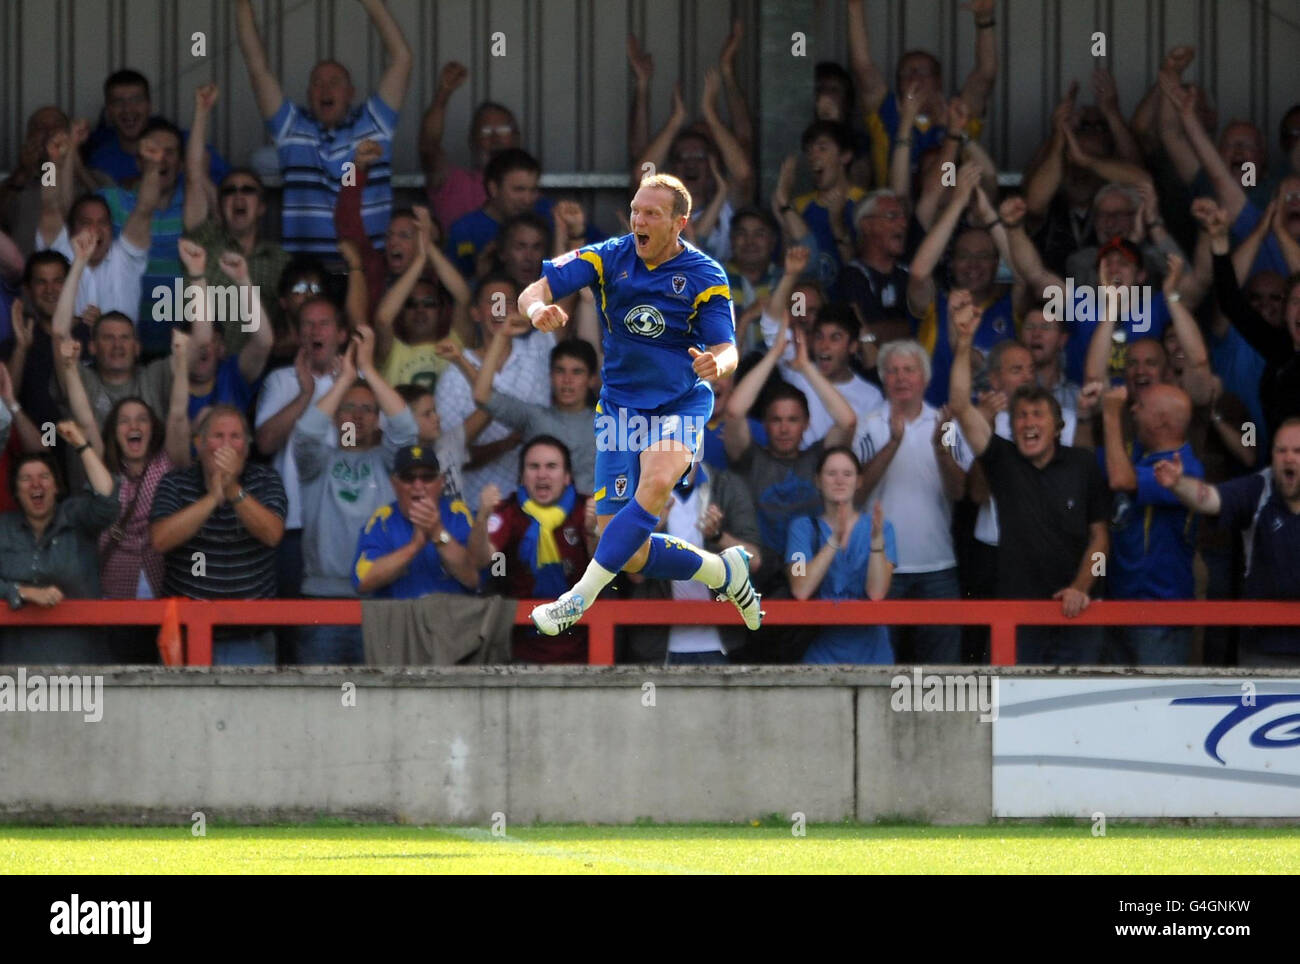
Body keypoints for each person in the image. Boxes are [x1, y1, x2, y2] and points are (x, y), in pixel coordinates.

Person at [518, 173, 763, 636]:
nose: (638, 220)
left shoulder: (706, 275)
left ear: (680, 223)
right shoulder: (608, 256)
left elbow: (727, 348)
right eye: (635, 210)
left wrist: (719, 365)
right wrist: (537, 311)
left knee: (657, 479)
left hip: (681, 403)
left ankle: (576, 600)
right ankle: (724, 573)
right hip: (619, 410)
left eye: (651, 213)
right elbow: (534, 291)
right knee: (627, 551)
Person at [948, 289, 1111, 665]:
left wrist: (1080, 588)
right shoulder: (1004, 461)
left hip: (1079, 611)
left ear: (1058, 426)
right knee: (1013, 716)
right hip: (1017, 617)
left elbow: (1101, 543)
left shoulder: (1081, 465)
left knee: (1078, 717)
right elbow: (959, 404)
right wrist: (964, 343)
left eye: (1038, 415)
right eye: (1021, 416)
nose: (1028, 423)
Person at [234, 0, 412, 254]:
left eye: (334, 82)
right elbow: (257, 67)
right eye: (317, 83)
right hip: (307, 275)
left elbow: (402, 59)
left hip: (365, 274)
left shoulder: (374, 123)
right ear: (308, 94)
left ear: (351, 93)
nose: (325, 89)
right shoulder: (292, 128)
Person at [293, 326, 417, 664]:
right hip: (323, 601)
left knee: (380, 709)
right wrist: (344, 380)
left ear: (378, 419)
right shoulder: (317, 463)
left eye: (367, 409)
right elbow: (305, 435)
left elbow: (407, 429)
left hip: (381, 599)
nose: (357, 416)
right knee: (318, 706)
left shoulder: (389, 463)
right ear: (334, 416)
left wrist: (369, 369)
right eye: (348, 408)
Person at [855, 339, 971, 663]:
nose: (901, 378)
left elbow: (960, 492)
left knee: (942, 673)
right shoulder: (867, 425)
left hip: (938, 566)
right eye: (892, 371)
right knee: (880, 670)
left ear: (926, 378)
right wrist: (893, 443)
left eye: (909, 370)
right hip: (881, 567)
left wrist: (940, 450)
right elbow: (857, 492)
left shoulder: (946, 424)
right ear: (882, 378)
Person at [1155, 418, 1300, 666]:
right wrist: (1179, 484)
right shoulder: (1258, 489)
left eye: (1297, 451)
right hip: (1264, 650)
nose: (1288, 458)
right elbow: (1210, 499)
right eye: (1281, 450)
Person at [149, 405, 287, 665]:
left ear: (246, 447)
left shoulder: (267, 480)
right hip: (185, 635)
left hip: (250, 639)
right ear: (199, 444)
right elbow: (160, 540)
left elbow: (272, 534)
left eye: (235, 437)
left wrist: (232, 490)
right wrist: (213, 498)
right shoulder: (174, 482)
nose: (226, 445)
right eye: (217, 436)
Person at [254, 296, 352, 597]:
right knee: (292, 624)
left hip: (343, 522)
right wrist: (305, 395)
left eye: (324, 324)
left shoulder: (357, 384)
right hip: (293, 523)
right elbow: (265, 443)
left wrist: (340, 390)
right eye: (307, 324)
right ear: (297, 335)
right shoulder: (280, 381)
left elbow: (354, 446)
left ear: (341, 334)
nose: (315, 331)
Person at [0, 421, 120, 664]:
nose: (36, 484)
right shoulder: (4, 528)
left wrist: (80, 444)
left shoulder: (76, 518)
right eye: (26, 479)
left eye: (44, 476)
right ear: (15, 491)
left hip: (81, 662)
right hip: (18, 667)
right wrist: (22, 592)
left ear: (56, 486)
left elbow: (107, 499)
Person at [183, 84, 290, 355]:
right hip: (205, 366)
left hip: (254, 372)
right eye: (229, 191)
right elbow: (194, 173)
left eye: (248, 190)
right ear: (219, 205)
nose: (238, 196)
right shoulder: (204, 241)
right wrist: (201, 112)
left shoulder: (280, 260)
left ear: (262, 206)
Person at [1099, 383, 1202, 665]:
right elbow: (1094, 462)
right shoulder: (1137, 455)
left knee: (1158, 706)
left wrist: (1110, 415)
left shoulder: (1185, 469)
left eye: (1140, 406)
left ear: (1162, 420)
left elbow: (1120, 479)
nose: (1132, 409)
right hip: (1119, 609)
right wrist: (1086, 414)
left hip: (1160, 615)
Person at [469, 437, 597, 663]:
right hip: (522, 648)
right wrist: (481, 517)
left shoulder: (588, 508)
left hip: (587, 643)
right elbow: (481, 560)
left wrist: (594, 530)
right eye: (534, 467)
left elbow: (605, 568)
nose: (542, 475)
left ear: (567, 476)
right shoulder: (507, 511)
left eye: (551, 466)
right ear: (521, 477)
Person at [788, 448, 896, 664]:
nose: (839, 480)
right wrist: (834, 541)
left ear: (859, 481)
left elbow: (876, 593)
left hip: (872, 651)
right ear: (817, 481)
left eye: (847, 474)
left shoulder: (881, 527)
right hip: (820, 652)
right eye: (831, 473)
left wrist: (876, 543)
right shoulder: (801, 527)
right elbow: (801, 587)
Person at [473, 333, 598, 494]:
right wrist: (501, 336)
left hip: (590, 516)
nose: (567, 380)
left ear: (592, 380)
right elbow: (481, 395)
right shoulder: (533, 417)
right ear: (550, 376)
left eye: (577, 372)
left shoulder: (607, 423)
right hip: (535, 516)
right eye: (560, 371)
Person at [352, 445, 479, 599]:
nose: (418, 486)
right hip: (400, 620)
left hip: (451, 619)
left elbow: (473, 578)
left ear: (441, 482)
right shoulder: (382, 520)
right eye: (408, 478)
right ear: (394, 483)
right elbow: (362, 580)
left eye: (427, 477)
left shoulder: (458, 513)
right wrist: (414, 546)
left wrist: (438, 533)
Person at [419, 62, 521, 231]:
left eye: (503, 130)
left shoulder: (529, 192)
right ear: (472, 141)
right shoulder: (454, 184)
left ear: (517, 138)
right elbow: (429, 147)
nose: (495, 139)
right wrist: (443, 94)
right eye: (486, 132)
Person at [85, 69, 229, 186]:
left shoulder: (186, 144)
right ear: (108, 111)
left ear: (149, 106)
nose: (128, 109)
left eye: (136, 100)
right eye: (118, 102)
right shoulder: (101, 159)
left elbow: (227, 189)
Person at [447, 149, 545, 280]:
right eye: (519, 190)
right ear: (493, 188)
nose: (527, 199)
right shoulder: (464, 230)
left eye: (533, 190)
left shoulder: (548, 219)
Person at [395, 382, 468, 503]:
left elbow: (488, 405)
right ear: (405, 421)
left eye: (435, 411)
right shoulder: (392, 459)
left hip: (458, 519)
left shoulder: (448, 442)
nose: (437, 417)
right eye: (427, 414)